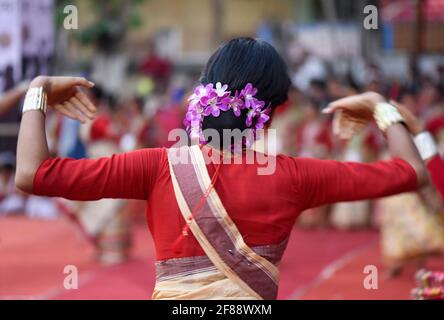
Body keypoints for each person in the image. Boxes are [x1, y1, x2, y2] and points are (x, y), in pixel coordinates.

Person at [15, 38, 427, 300]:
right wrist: (380, 106)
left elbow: (32, 174)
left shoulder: (157, 166)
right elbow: (413, 171)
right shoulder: (297, 175)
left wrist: (37, 92)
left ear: (201, 98)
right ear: (269, 114)